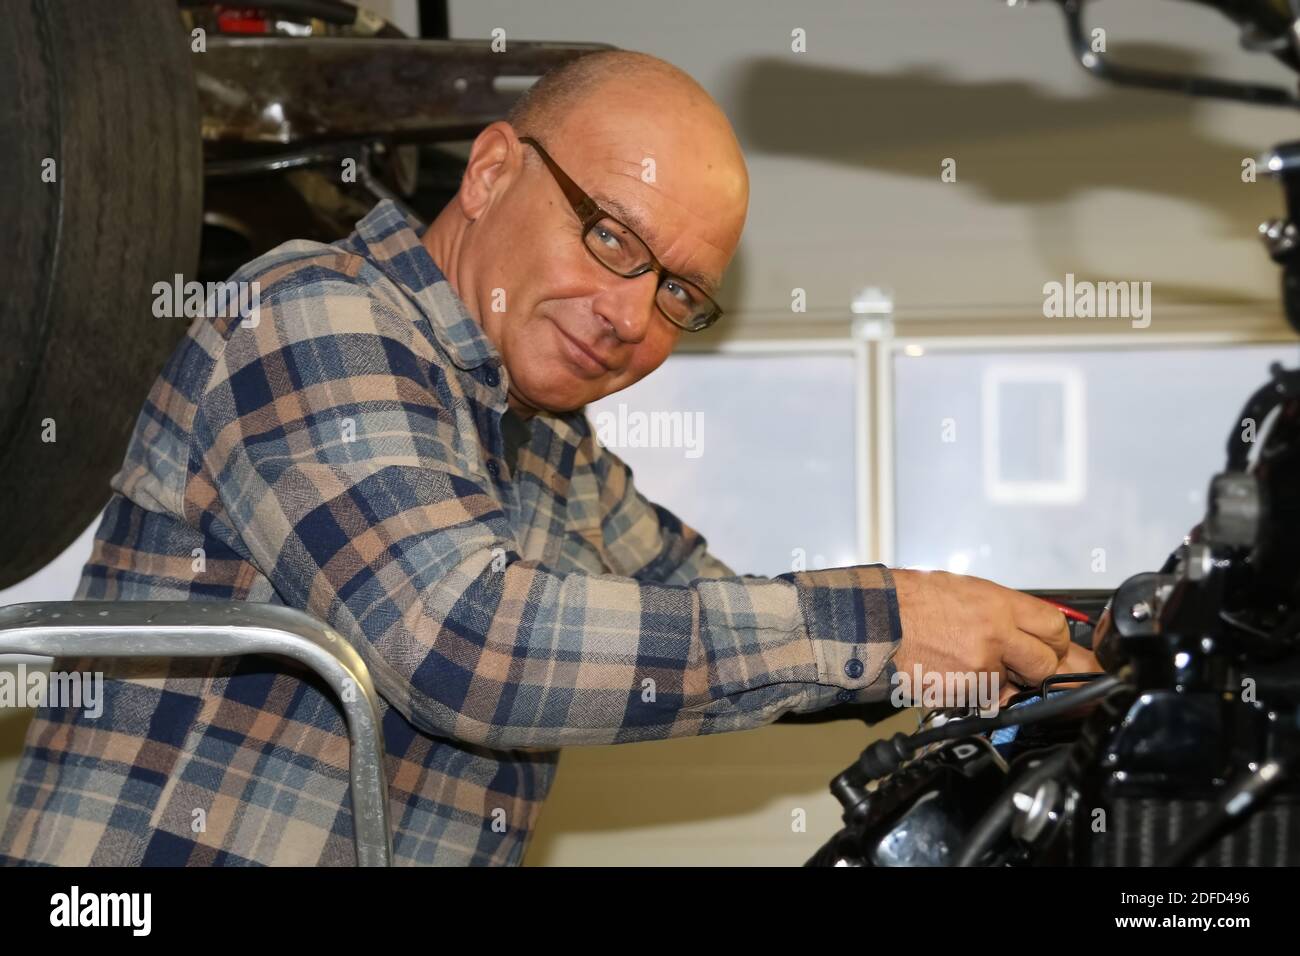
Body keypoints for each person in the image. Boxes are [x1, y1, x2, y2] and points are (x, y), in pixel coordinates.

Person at [0, 50, 1091, 866]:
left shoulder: (551, 445)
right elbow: (463, 641)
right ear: (487, 173)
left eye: (676, 293)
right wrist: (890, 618)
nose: (629, 316)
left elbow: (708, 610)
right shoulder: (314, 314)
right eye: (611, 237)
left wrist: (1004, 642)